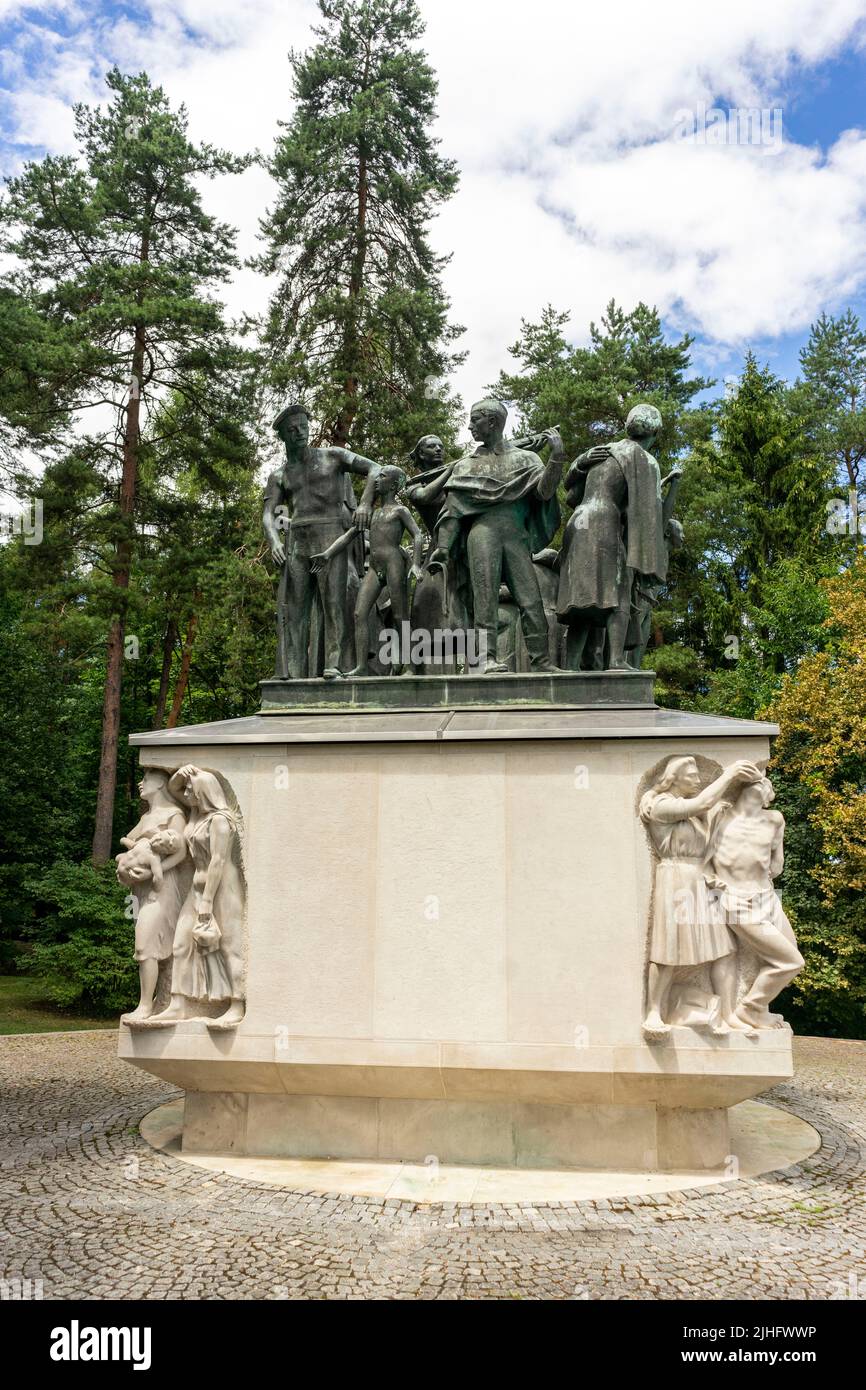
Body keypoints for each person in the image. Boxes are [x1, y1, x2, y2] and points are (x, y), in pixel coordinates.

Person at [426, 398, 563, 673]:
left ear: (493, 422)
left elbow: (544, 493)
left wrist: (556, 457)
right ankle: (486, 659)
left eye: (475, 419)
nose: (469, 426)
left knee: (531, 600)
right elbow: (452, 510)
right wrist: (443, 547)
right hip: (482, 535)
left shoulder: (527, 459)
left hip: (516, 536)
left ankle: (542, 661)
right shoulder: (466, 465)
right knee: (484, 600)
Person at [639, 754, 762, 1040]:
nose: (697, 780)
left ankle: (729, 1013)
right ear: (674, 779)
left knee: (725, 949)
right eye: (692, 776)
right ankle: (653, 1011)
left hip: (698, 879)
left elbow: (706, 820)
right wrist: (729, 775)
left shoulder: (692, 813)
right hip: (675, 878)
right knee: (667, 951)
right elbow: (702, 803)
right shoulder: (659, 805)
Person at [262, 403, 382, 679]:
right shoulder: (279, 475)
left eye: (303, 426)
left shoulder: (333, 456)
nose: (299, 433)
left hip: (331, 536)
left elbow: (376, 469)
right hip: (297, 541)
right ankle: (293, 671)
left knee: (334, 604)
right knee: (295, 610)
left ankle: (333, 664)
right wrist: (274, 542)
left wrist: (364, 504)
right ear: (282, 436)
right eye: (292, 430)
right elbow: (268, 515)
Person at [557, 404, 668, 671]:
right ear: (654, 431)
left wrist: (578, 462)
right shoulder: (645, 460)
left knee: (581, 600)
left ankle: (571, 667)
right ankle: (617, 660)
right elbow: (645, 516)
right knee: (620, 590)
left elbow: (569, 490)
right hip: (605, 522)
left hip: (578, 524)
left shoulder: (604, 450)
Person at [149, 765, 246, 1030]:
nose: (188, 791)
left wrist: (207, 903)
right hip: (198, 888)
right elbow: (174, 790)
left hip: (222, 889)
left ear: (205, 792)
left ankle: (236, 1005)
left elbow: (217, 861)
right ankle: (177, 1005)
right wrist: (181, 775)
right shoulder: (195, 815)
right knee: (181, 943)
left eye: (193, 788)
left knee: (229, 946)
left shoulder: (220, 820)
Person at [707, 777, 804, 1033]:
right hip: (736, 901)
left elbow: (777, 865)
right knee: (791, 961)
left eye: (765, 784)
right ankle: (751, 1008)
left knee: (790, 956)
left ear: (767, 797)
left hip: (768, 898)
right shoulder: (720, 816)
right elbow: (702, 855)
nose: (760, 785)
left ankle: (757, 1007)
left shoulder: (775, 819)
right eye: (756, 783)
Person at [311, 465, 424, 676]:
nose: (377, 480)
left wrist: (416, 564)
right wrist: (327, 554)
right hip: (375, 567)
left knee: (401, 616)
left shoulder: (400, 511)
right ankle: (362, 666)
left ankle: (411, 666)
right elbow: (348, 536)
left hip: (394, 564)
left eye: (383, 476)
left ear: (395, 484)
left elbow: (418, 535)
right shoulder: (372, 513)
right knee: (359, 613)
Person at [116, 769, 189, 1026]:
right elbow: (129, 841)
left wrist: (152, 871)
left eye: (146, 779)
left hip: (162, 888)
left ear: (160, 784)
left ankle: (146, 1006)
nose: (140, 783)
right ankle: (160, 1001)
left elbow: (181, 854)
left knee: (145, 944)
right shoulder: (147, 817)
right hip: (138, 890)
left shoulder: (174, 814)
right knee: (147, 943)